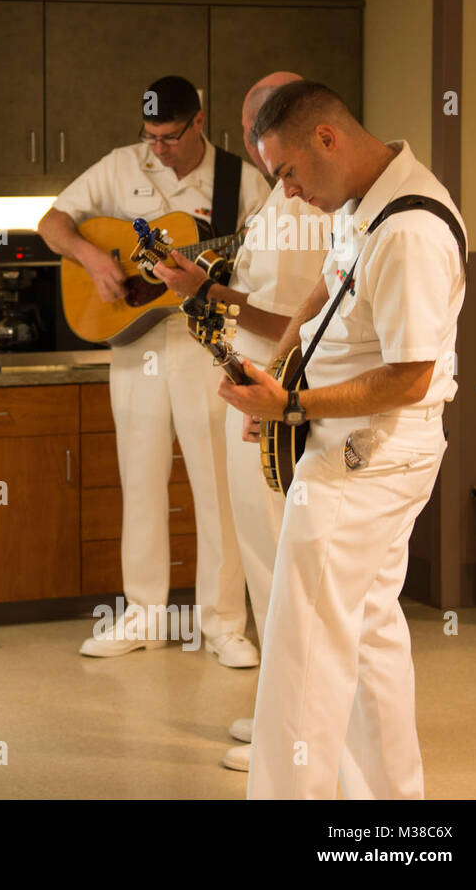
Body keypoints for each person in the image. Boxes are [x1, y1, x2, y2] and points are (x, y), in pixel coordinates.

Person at [220, 80, 466, 798]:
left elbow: (410, 375)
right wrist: (275, 376)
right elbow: (324, 292)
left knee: (304, 653)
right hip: (356, 447)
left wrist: (290, 402)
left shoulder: (412, 229)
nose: (289, 193)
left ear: (327, 138)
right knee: (366, 637)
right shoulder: (365, 201)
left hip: (368, 459)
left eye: (289, 172)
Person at [38, 76, 270, 665]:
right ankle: (143, 614)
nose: (157, 149)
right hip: (134, 344)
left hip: (206, 344)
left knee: (215, 485)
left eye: (168, 137)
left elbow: (268, 254)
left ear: (198, 122)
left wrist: (214, 280)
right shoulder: (120, 166)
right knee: (138, 480)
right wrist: (93, 258)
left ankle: (222, 623)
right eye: (149, 136)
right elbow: (54, 222)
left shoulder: (239, 182)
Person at [151, 72, 330, 770]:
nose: (258, 150)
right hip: (256, 391)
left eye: (262, 132)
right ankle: (277, 711)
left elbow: (292, 317)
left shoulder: (305, 207)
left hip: (277, 398)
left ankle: (296, 727)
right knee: (266, 564)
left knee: (283, 564)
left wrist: (209, 293)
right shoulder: (278, 202)